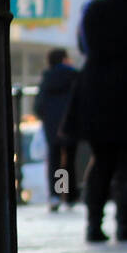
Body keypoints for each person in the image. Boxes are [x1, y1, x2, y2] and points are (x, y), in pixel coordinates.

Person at [74, 0, 127, 243]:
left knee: (101, 161)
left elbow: (84, 48)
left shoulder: (94, 9)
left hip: (97, 96)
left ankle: (93, 224)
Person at [34, 48, 80, 210]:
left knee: (55, 159)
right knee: (68, 160)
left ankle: (55, 195)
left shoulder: (47, 78)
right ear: (64, 59)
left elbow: (38, 106)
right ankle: (68, 195)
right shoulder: (73, 76)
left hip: (51, 125)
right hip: (70, 123)